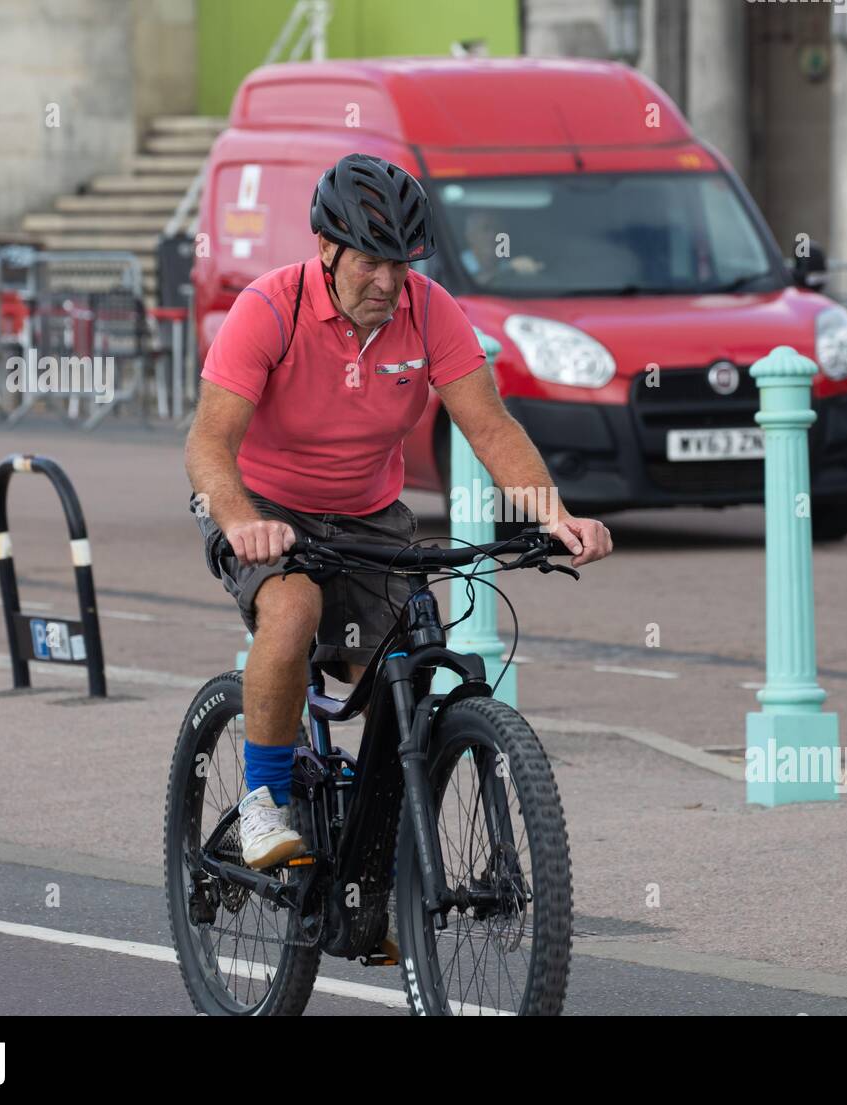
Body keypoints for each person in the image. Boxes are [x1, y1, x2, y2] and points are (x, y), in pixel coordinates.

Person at [184, 153, 612, 884]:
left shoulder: (429, 309)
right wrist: (241, 519)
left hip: (367, 514)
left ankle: (375, 864)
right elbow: (208, 442)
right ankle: (263, 802)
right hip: (264, 505)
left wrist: (555, 514)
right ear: (326, 247)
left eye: (402, 264)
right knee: (292, 609)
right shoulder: (269, 308)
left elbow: (491, 427)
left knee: (401, 676)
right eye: (371, 264)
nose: (388, 283)